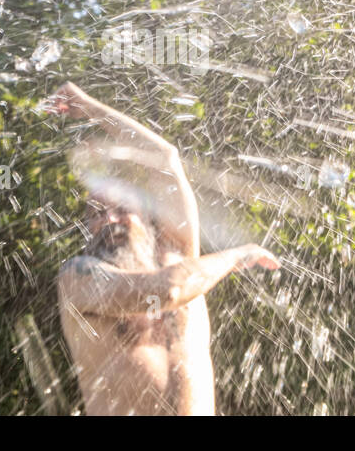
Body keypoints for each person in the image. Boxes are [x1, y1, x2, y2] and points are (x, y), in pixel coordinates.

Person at [47, 82, 280, 415]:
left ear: (146, 215)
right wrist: (235, 256)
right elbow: (168, 289)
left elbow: (164, 158)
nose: (110, 219)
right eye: (96, 215)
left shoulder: (180, 254)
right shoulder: (80, 277)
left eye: (121, 209)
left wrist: (90, 108)